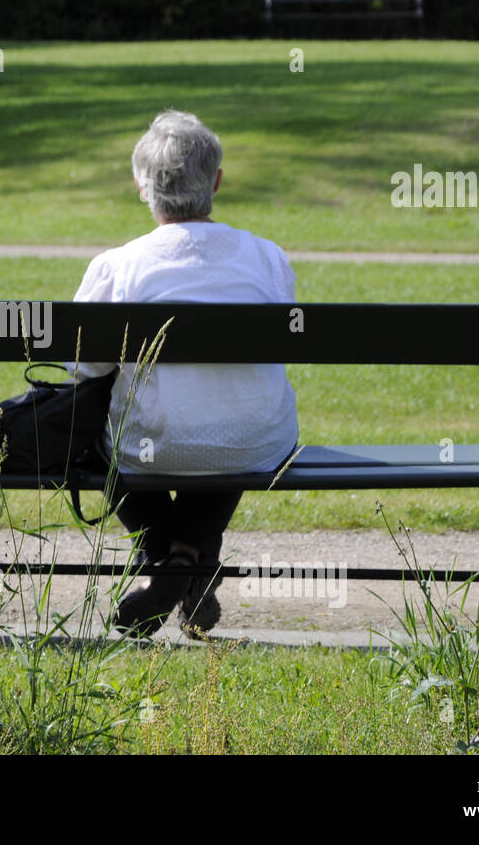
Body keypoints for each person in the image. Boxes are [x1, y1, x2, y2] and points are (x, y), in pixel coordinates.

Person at [70, 110, 299, 636]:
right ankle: (187, 558)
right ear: (217, 181)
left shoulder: (117, 266)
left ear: (141, 187)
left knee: (110, 431)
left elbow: (84, 366)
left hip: (151, 446)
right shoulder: (267, 258)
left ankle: (165, 562)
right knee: (229, 422)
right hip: (254, 443)